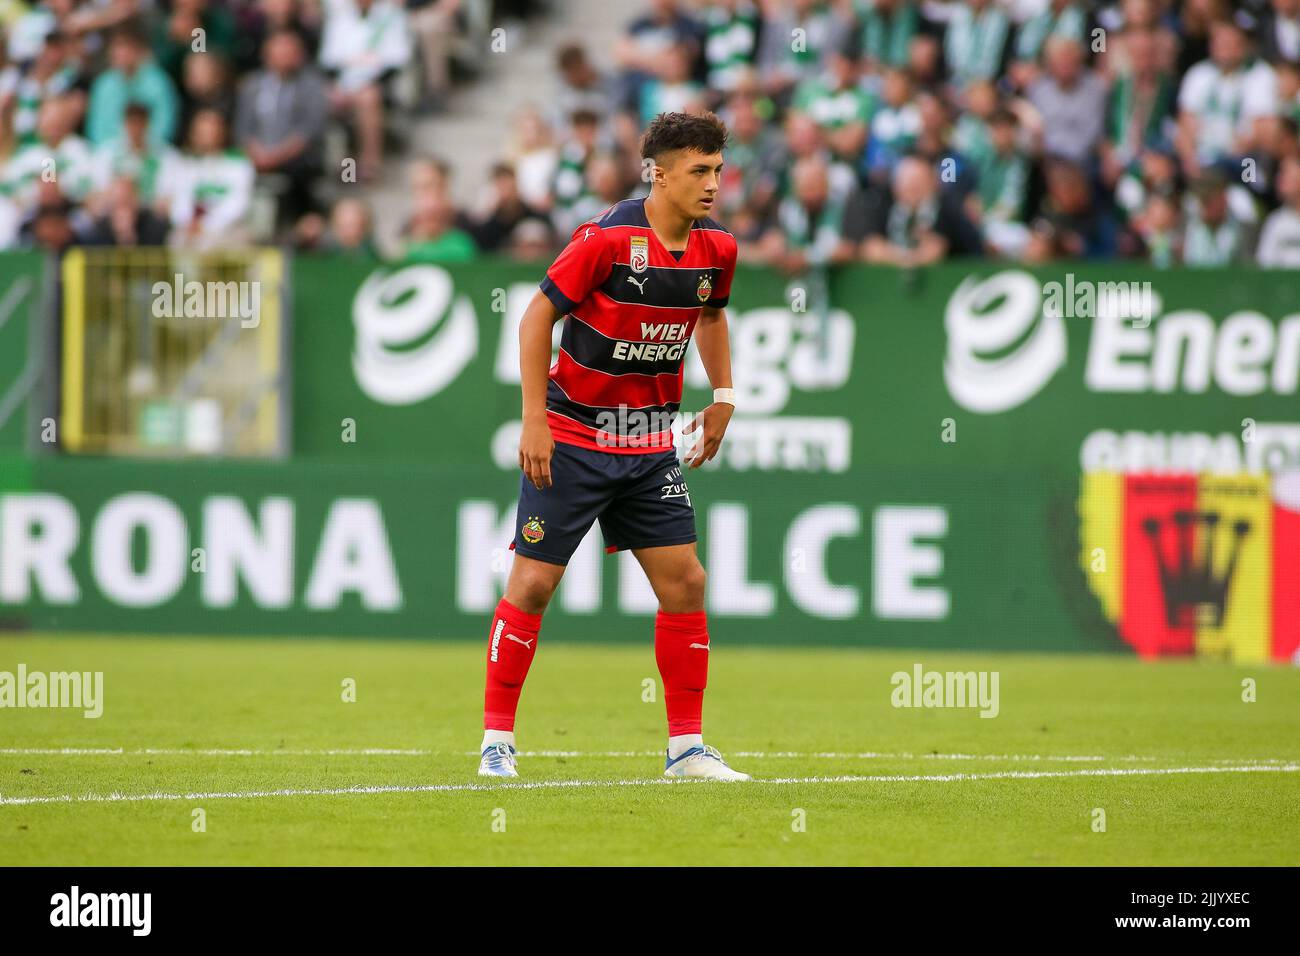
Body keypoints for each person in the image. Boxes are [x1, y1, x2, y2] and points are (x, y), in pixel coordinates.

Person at [477, 110, 750, 782]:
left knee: (686, 582)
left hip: (647, 441)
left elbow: (711, 315)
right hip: (571, 434)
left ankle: (686, 749)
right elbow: (538, 313)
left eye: (717, 169)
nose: (713, 184)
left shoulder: (718, 249)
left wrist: (723, 397)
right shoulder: (605, 239)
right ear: (658, 174)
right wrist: (533, 416)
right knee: (535, 583)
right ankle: (496, 743)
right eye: (699, 171)